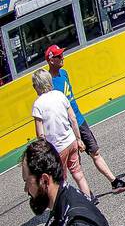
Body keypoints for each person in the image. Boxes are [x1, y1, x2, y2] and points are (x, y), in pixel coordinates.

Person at [43, 46, 125, 194]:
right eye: (59, 56)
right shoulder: (49, 84)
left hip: (78, 120)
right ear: (51, 60)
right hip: (67, 128)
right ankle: (87, 194)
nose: (62, 58)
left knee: (95, 151)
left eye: (62, 55)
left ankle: (114, 182)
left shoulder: (64, 73)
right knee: (76, 165)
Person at [30, 68, 94, 199]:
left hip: (57, 148)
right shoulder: (60, 95)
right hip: (71, 141)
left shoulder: (38, 105)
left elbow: (40, 134)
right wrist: (79, 139)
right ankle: (89, 200)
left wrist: (43, 151)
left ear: (37, 85)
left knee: (60, 180)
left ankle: (66, 206)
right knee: (78, 173)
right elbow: (73, 119)